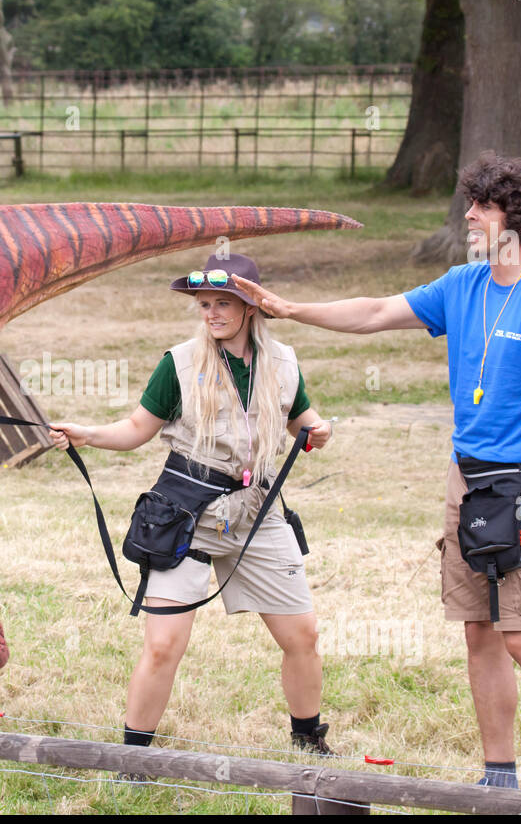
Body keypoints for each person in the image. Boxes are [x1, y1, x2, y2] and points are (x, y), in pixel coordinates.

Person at [232, 151, 521, 801]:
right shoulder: (462, 284)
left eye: (482, 205)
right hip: (467, 482)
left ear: (517, 215)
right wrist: (290, 309)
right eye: (470, 202)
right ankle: (498, 778)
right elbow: (373, 312)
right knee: (479, 630)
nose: (470, 214)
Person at [49, 253, 337, 758]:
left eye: (222, 303)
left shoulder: (285, 362)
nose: (211, 314)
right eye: (204, 305)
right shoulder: (179, 362)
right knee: (162, 645)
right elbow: (138, 429)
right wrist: (88, 433)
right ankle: (134, 759)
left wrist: (320, 430)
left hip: (258, 511)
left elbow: (303, 421)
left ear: (251, 306)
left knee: (303, 635)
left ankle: (308, 739)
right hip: (186, 511)